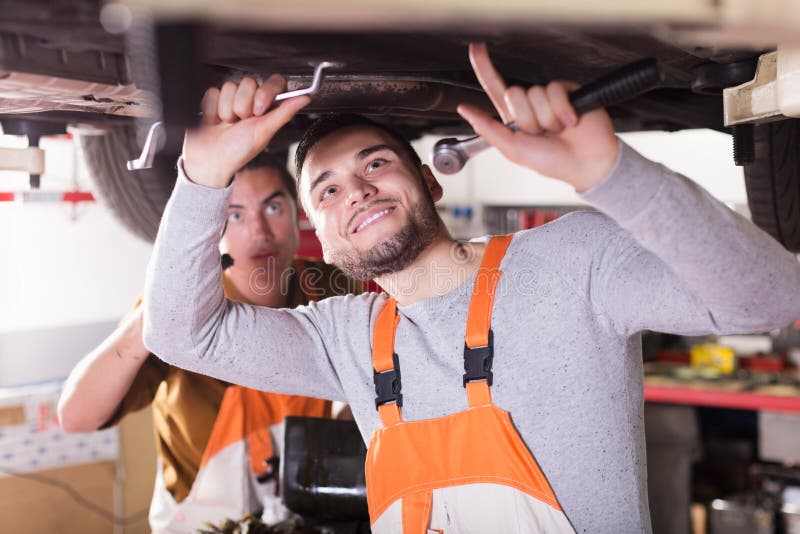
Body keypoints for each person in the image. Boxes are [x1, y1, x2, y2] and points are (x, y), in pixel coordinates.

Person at [142, 42, 800, 533]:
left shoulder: (571, 260)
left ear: (430, 182)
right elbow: (179, 332)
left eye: (377, 164)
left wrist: (612, 172)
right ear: (323, 233)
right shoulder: (344, 339)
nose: (359, 191)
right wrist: (201, 178)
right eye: (329, 190)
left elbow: (770, 299)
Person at [58, 153, 361, 532]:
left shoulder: (332, 287)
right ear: (212, 228)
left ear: (300, 214)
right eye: (234, 215)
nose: (259, 230)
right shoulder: (181, 305)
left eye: (274, 206)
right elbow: (76, 416)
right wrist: (158, 307)